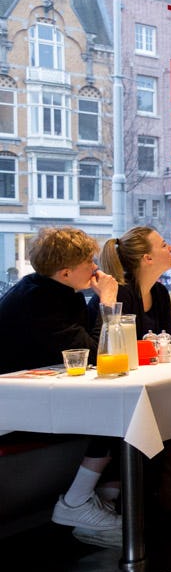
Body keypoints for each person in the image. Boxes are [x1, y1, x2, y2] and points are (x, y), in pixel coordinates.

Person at [0, 227, 122, 547]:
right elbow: (98, 355)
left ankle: (102, 507)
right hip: (12, 410)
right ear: (66, 272)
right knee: (117, 411)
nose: (96, 268)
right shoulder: (37, 301)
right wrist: (108, 303)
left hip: (36, 397)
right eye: (89, 262)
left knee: (122, 407)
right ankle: (78, 502)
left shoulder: (60, 293)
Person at [89, 226, 171, 338]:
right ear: (148, 258)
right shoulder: (120, 292)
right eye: (164, 245)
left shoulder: (160, 292)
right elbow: (117, 344)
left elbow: (168, 339)